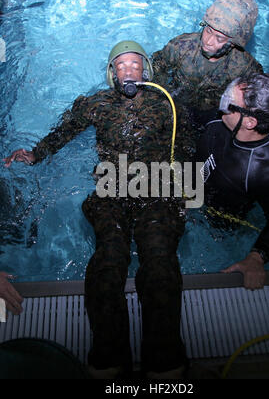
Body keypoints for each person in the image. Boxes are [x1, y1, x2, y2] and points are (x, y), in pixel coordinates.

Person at [3, 41, 191, 379]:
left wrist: (184, 193)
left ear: (146, 70)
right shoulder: (96, 104)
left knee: (161, 260)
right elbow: (64, 131)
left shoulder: (167, 105)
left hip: (157, 194)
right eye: (121, 65)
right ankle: (108, 358)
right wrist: (35, 153)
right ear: (112, 73)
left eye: (135, 64)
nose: (129, 70)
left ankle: (164, 361)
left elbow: (185, 148)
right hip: (112, 192)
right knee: (108, 260)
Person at [191, 72, 269, 290]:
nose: (221, 103)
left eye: (228, 101)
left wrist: (256, 258)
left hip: (217, 223)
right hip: (189, 187)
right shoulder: (219, 120)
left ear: (249, 121)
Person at [151, 0, 263, 112]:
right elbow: (157, 65)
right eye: (208, 31)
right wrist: (161, 96)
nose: (208, 41)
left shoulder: (245, 69)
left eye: (219, 38)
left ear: (233, 43)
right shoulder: (181, 46)